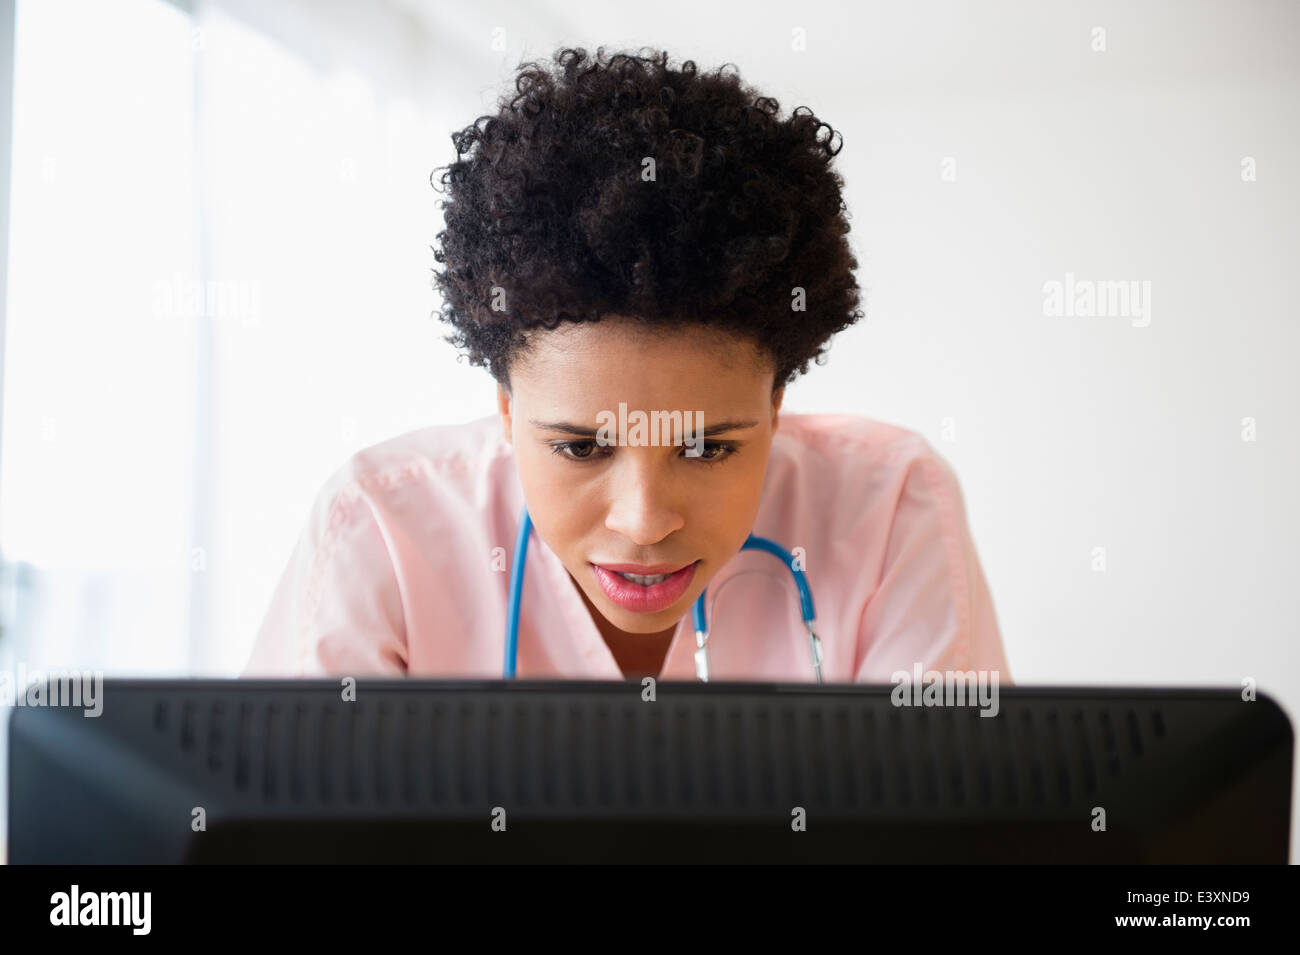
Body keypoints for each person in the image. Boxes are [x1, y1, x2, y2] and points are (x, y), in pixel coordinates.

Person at [242, 47, 1011, 684]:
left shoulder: (891, 509)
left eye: (708, 447)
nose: (645, 520)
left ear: (777, 404)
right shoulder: (381, 525)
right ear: (507, 409)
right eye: (581, 446)